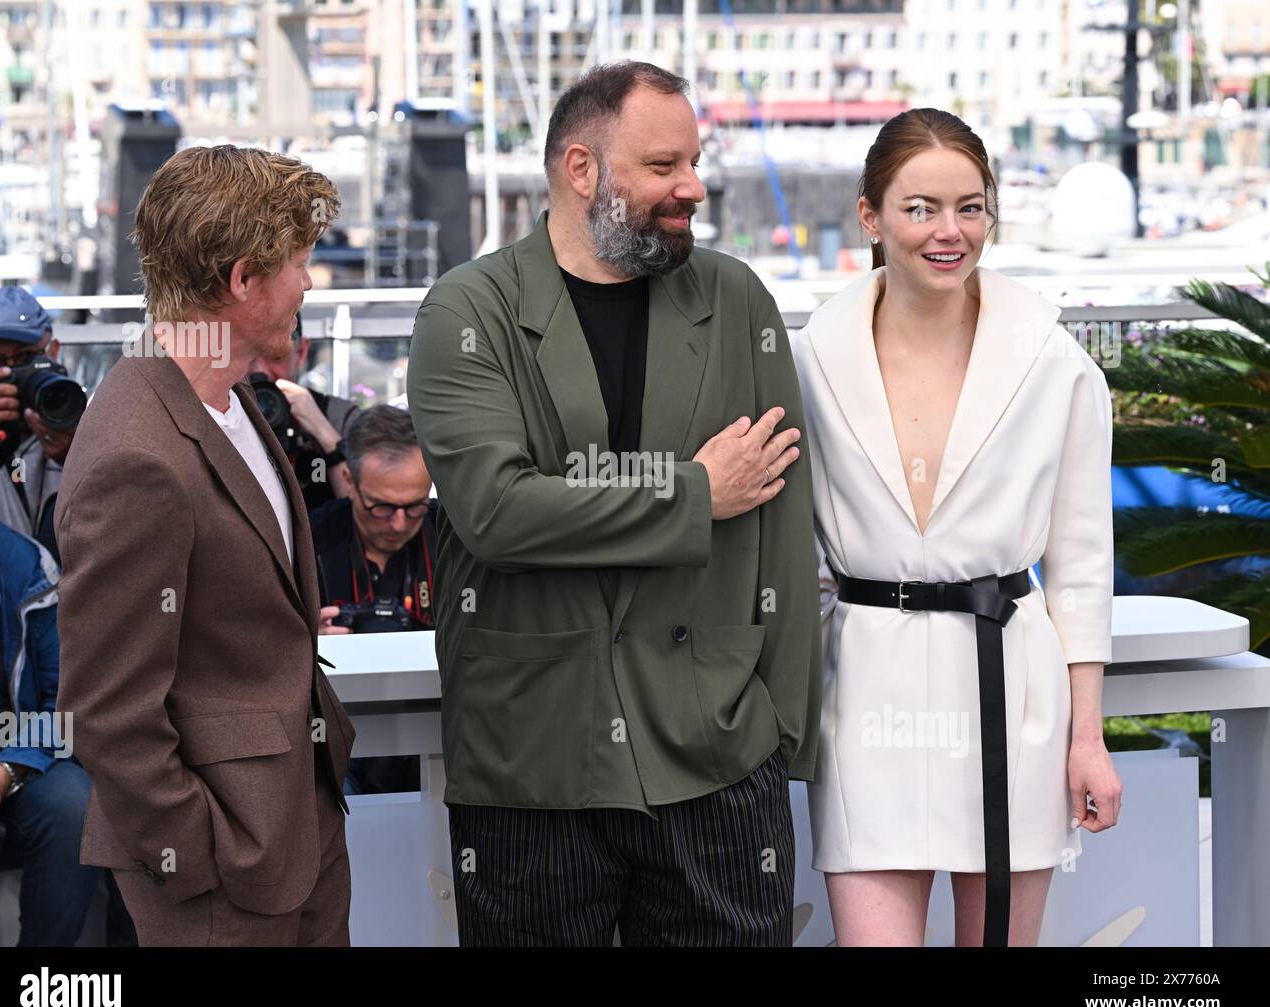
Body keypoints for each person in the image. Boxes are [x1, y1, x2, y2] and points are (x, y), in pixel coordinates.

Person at [407, 60, 821, 947]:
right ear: (582, 169)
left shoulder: (736, 297)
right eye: (665, 165)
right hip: (535, 762)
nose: (693, 188)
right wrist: (693, 494)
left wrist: (778, 731)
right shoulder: (465, 311)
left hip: (717, 756)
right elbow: (495, 512)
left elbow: (786, 527)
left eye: (695, 162)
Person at [794, 108, 1122, 947]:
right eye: (921, 208)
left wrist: (1089, 741)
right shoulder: (810, 358)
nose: (950, 231)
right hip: (866, 690)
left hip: (1010, 691)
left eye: (970, 207)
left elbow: (1081, 569)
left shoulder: (1054, 362)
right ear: (870, 216)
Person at [54, 144, 357, 946]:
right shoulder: (136, 453)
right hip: (223, 878)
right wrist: (197, 858)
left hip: (297, 827)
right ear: (242, 279)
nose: (307, 284)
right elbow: (104, 710)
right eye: (298, 263)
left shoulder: (226, 397)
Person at [0, 396, 109, 946]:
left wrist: (7, 772)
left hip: (5, 756)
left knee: (75, 800)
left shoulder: (26, 567)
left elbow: (63, 698)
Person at [311, 403, 436, 633]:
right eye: (382, 508)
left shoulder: (457, 540)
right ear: (348, 481)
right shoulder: (305, 544)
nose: (399, 525)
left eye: (415, 506)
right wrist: (303, 641)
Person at [0, 287, 75, 559]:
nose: (14, 373)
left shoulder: (94, 417)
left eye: (27, 358)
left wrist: (78, 457)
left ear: (53, 351)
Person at [247, 312, 362, 513]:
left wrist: (325, 435)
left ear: (301, 352)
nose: (259, 371)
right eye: (246, 355)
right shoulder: (222, 417)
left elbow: (368, 514)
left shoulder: (338, 418)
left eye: (275, 356)